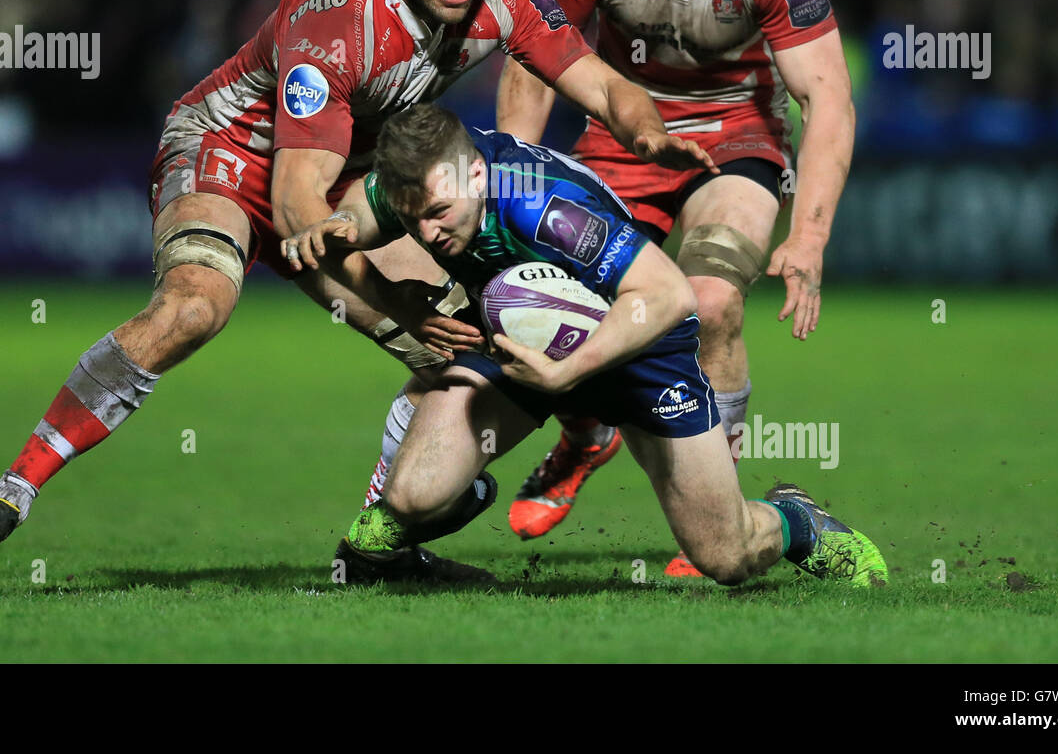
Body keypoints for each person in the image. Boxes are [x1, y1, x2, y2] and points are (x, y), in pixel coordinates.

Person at [0, 0, 713, 574]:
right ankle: (13, 491)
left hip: (341, 178)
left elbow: (603, 84)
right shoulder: (335, 16)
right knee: (196, 307)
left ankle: (394, 539)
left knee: (466, 342)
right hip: (233, 156)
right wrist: (384, 295)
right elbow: (298, 208)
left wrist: (647, 129)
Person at [487, 0, 857, 575]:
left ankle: (716, 508)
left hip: (736, 139)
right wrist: (513, 180)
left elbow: (826, 95)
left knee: (714, 301)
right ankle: (585, 437)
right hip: (622, 140)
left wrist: (812, 236)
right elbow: (534, 42)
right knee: (564, 303)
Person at [283, 105, 886, 588]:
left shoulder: (543, 206)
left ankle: (796, 520)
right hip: (521, 339)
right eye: (415, 222)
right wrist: (337, 229)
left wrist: (567, 373)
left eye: (440, 215)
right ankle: (412, 549)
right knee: (411, 496)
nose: (429, 234)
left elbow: (671, 295)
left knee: (723, 556)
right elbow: (361, 211)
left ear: (475, 173)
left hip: (641, 347)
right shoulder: (423, 185)